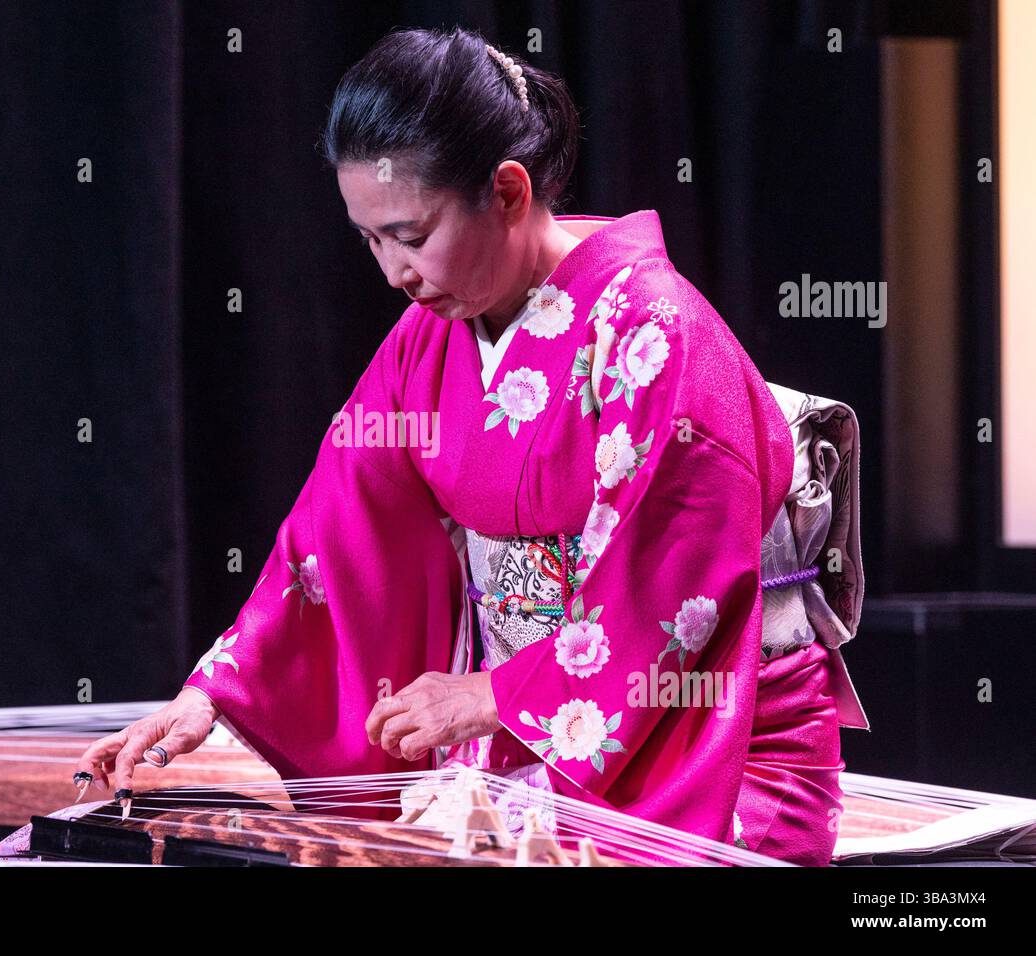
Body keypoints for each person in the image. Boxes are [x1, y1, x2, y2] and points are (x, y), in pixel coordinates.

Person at [74, 25, 847, 866]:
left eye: (411, 235)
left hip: (710, 739)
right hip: (528, 740)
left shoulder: (656, 332)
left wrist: (493, 693)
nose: (393, 272)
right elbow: (337, 530)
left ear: (509, 190)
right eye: (370, 240)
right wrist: (215, 694)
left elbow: (665, 591)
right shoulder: (429, 338)